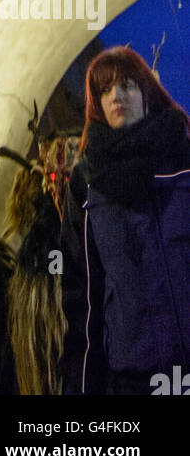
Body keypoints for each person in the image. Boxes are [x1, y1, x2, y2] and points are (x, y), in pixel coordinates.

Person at [60, 46, 190, 395]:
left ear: (147, 93)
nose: (117, 95)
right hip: (133, 378)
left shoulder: (184, 160)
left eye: (128, 85)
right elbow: (82, 296)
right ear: (96, 105)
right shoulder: (87, 183)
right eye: (105, 90)